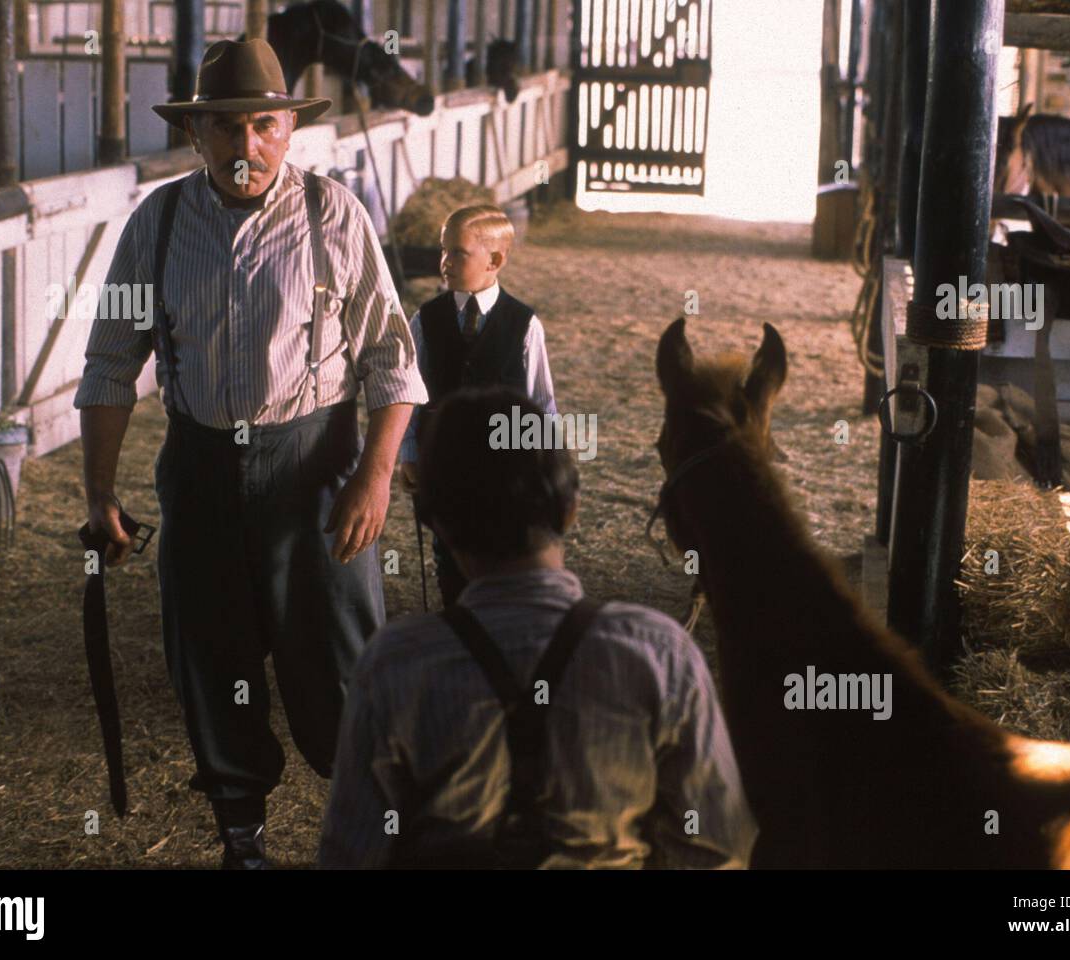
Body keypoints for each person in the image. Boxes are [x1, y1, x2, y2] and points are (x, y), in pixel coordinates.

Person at [73, 39, 427, 868]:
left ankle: (368, 836)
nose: (246, 147)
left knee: (337, 659)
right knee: (208, 654)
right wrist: (98, 493)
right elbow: (109, 363)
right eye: (227, 130)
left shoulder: (334, 216)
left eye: (263, 126)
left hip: (316, 468)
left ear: (288, 131)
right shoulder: (156, 224)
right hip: (199, 469)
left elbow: (391, 359)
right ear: (197, 136)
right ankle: (243, 841)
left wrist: (375, 475)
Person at [319, 388, 757, 868]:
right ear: (571, 509)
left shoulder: (395, 665)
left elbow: (352, 855)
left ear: (435, 523)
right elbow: (716, 849)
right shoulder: (659, 655)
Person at [397, 204, 557, 607]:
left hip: (506, 472)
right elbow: (411, 393)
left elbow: (542, 402)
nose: (444, 262)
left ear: (495, 260)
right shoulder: (427, 319)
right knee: (450, 564)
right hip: (445, 468)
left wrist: (541, 467)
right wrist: (410, 453)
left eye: (458, 253)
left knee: (504, 561)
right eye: (443, 250)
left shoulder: (523, 324)